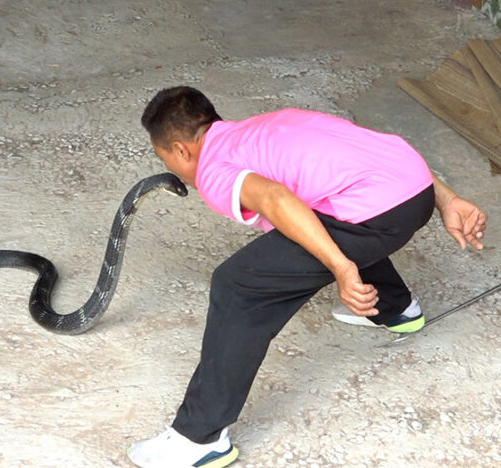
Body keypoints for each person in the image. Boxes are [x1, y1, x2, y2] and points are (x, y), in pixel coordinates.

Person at [127, 86, 487, 468]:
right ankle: (396, 309)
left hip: (378, 212)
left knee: (238, 286)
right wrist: (446, 199)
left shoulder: (213, 168)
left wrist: (342, 267)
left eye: (165, 158)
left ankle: (199, 438)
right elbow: (378, 150)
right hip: (414, 189)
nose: (172, 168)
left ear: (181, 149)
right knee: (326, 212)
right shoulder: (269, 125)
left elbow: (276, 200)